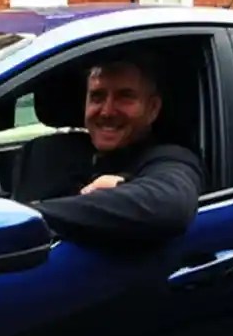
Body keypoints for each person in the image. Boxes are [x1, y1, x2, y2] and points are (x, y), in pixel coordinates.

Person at [28, 56, 204, 250]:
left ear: (153, 108)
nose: (107, 111)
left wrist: (29, 218)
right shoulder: (47, 152)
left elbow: (172, 206)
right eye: (97, 97)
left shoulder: (170, 157)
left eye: (124, 97)